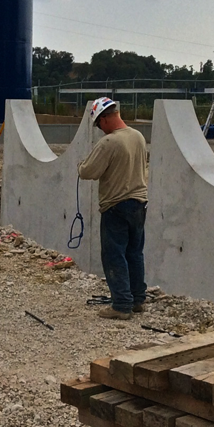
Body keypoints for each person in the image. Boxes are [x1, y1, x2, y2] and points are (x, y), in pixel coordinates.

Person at [77, 97, 149, 320]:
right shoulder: (137, 136)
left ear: (105, 118)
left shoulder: (109, 142)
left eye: (99, 124)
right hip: (139, 203)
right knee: (134, 253)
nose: (100, 129)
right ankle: (137, 300)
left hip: (116, 205)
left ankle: (121, 305)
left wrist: (80, 166)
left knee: (113, 255)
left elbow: (88, 171)